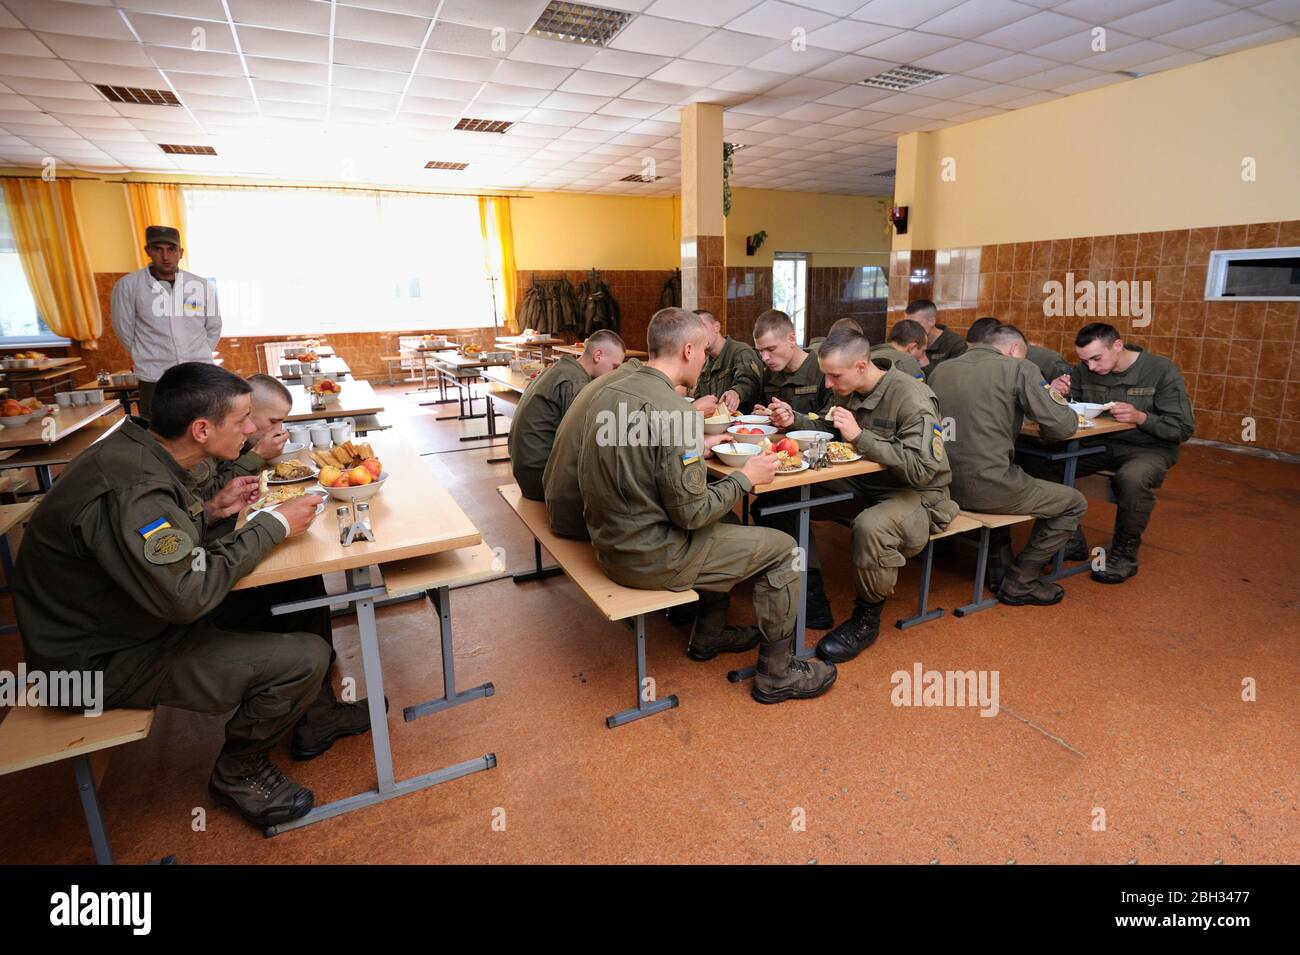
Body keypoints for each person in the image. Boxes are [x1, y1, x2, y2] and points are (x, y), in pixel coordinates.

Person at [12, 363, 369, 830]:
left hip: (131, 617)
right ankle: (238, 772)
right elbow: (186, 596)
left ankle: (316, 716)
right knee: (305, 656)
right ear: (201, 429)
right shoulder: (134, 488)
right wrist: (275, 524)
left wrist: (209, 511)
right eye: (243, 420)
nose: (251, 429)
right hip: (96, 662)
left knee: (292, 584)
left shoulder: (144, 452)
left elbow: (160, 547)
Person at [578, 308, 836, 704]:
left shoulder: (613, 390)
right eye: (703, 352)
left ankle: (710, 634)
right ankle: (777, 674)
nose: (706, 360)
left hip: (610, 541)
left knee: (727, 522)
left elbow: (642, 456)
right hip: (647, 554)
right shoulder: (675, 412)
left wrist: (700, 449)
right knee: (784, 551)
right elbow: (692, 513)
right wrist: (745, 477)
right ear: (686, 350)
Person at [767, 323, 958, 662]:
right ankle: (811, 598)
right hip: (865, 482)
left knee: (872, 526)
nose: (828, 384)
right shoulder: (848, 387)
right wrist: (792, 419)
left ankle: (866, 619)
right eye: (826, 376)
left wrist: (860, 437)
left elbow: (921, 469)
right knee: (779, 500)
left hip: (916, 493)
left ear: (860, 366)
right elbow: (829, 429)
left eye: (834, 377)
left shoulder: (912, 398)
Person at [928, 324, 1087, 605]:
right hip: (987, 488)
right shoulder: (1019, 369)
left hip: (941, 483)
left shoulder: (941, 369)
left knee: (1010, 472)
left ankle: (999, 565)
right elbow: (1063, 427)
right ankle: (1020, 581)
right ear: (1015, 349)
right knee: (1073, 502)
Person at [1042, 322, 1194, 583]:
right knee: (1042, 464)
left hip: (1148, 447)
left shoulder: (1160, 370)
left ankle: (1124, 554)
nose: (1090, 367)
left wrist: (1141, 417)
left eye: (1096, 358)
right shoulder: (1084, 371)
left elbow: (1181, 428)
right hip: (1099, 444)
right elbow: (1071, 412)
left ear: (1118, 345)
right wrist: (1056, 393)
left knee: (1132, 478)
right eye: (1084, 360)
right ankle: (1070, 538)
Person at [110, 225, 221, 419]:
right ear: (148, 251)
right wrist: (149, 355)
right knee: (157, 433)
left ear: (181, 253)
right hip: (154, 377)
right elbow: (124, 330)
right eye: (158, 249)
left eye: (171, 249)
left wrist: (197, 353)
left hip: (197, 374)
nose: (165, 256)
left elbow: (213, 327)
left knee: (203, 428)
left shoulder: (200, 286)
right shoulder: (129, 286)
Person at [508, 330, 624, 500]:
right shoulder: (575, 383)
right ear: (598, 355)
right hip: (540, 479)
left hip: (526, 471)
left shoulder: (561, 368)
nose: (614, 373)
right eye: (615, 367)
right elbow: (584, 441)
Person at [752, 308, 830, 414]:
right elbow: (763, 409)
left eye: (771, 349)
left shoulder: (823, 371)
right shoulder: (769, 374)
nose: (765, 358)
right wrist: (762, 416)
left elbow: (830, 424)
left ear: (791, 339)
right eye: (760, 351)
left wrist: (793, 420)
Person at [691, 308, 764, 414]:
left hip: (743, 426)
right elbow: (699, 398)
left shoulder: (741, 352)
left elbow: (748, 381)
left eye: (702, 327)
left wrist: (736, 392)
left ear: (717, 327)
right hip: (716, 427)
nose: (699, 334)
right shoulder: (705, 365)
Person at [905, 299, 967, 374]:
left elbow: (952, 379)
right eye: (908, 323)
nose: (910, 328)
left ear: (932, 321)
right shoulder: (908, 339)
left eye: (916, 323)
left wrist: (923, 359)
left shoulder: (957, 344)